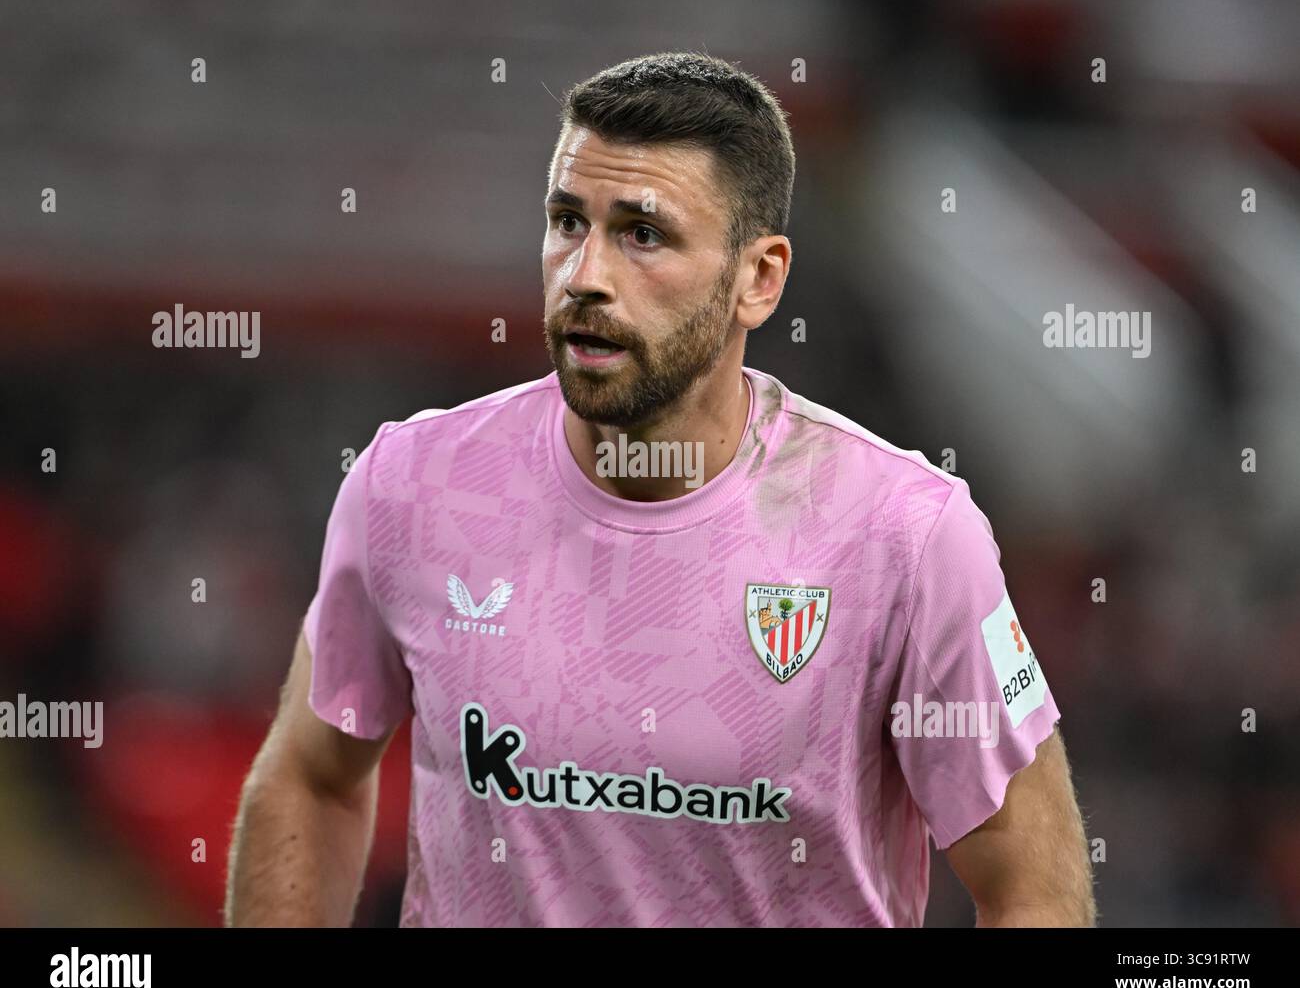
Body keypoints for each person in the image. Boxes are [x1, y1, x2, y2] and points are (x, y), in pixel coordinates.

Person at [225, 51, 1095, 928]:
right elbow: (309, 775)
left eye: (643, 233)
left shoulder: (904, 533)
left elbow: (1033, 888)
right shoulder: (413, 486)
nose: (585, 276)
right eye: (569, 222)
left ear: (760, 279)